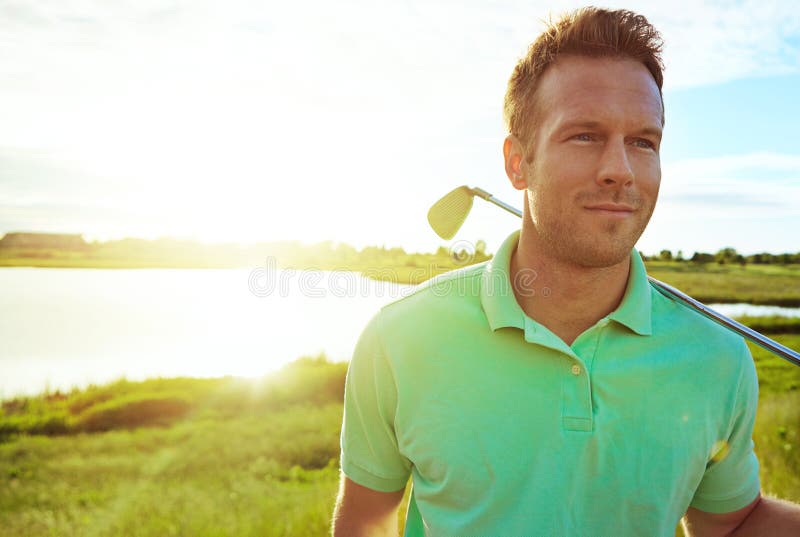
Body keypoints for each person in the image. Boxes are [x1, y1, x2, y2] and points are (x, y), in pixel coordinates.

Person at [332, 7, 800, 536]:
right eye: (584, 135)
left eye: (643, 142)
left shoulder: (719, 358)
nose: (619, 171)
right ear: (517, 162)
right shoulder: (399, 336)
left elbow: (732, 523)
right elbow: (366, 523)